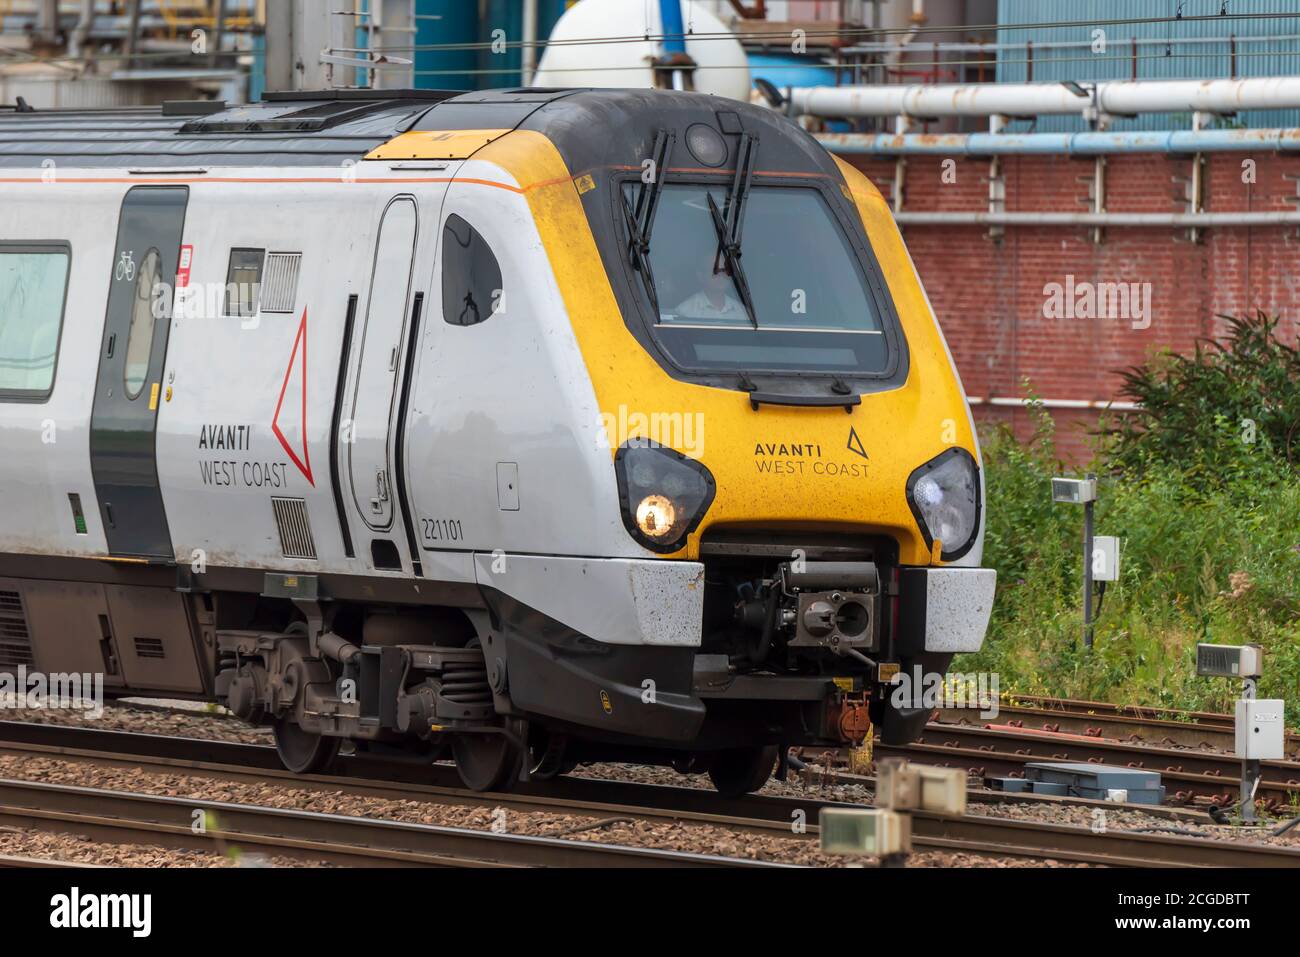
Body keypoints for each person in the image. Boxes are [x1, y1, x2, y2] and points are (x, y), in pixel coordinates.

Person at [672, 258, 748, 323]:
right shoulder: (685, 311)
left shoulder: (740, 310)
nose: (721, 275)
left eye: (725, 270)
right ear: (700, 276)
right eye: (715, 270)